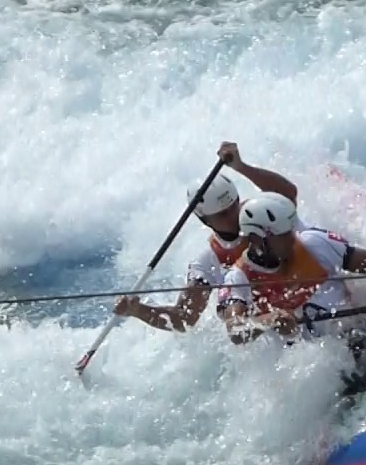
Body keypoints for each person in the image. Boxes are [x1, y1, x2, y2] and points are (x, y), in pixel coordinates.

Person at [112, 141, 308, 332]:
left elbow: (288, 193)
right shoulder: (208, 262)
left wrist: (240, 167)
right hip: (277, 322)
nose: (234, 216)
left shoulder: (262, 212)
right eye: (223, 214)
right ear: (205, 219)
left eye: (234, 206)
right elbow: (184, 318)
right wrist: (138, 310)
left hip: (315, 290)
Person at [215, 192, 366, 346]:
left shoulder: (313, 243)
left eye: (290, 230)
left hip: (362, 337)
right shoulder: (239, 278)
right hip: (315, 367)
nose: (291, 238)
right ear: (257, 240)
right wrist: (268, 320)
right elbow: (235, 329)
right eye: (282, 235)